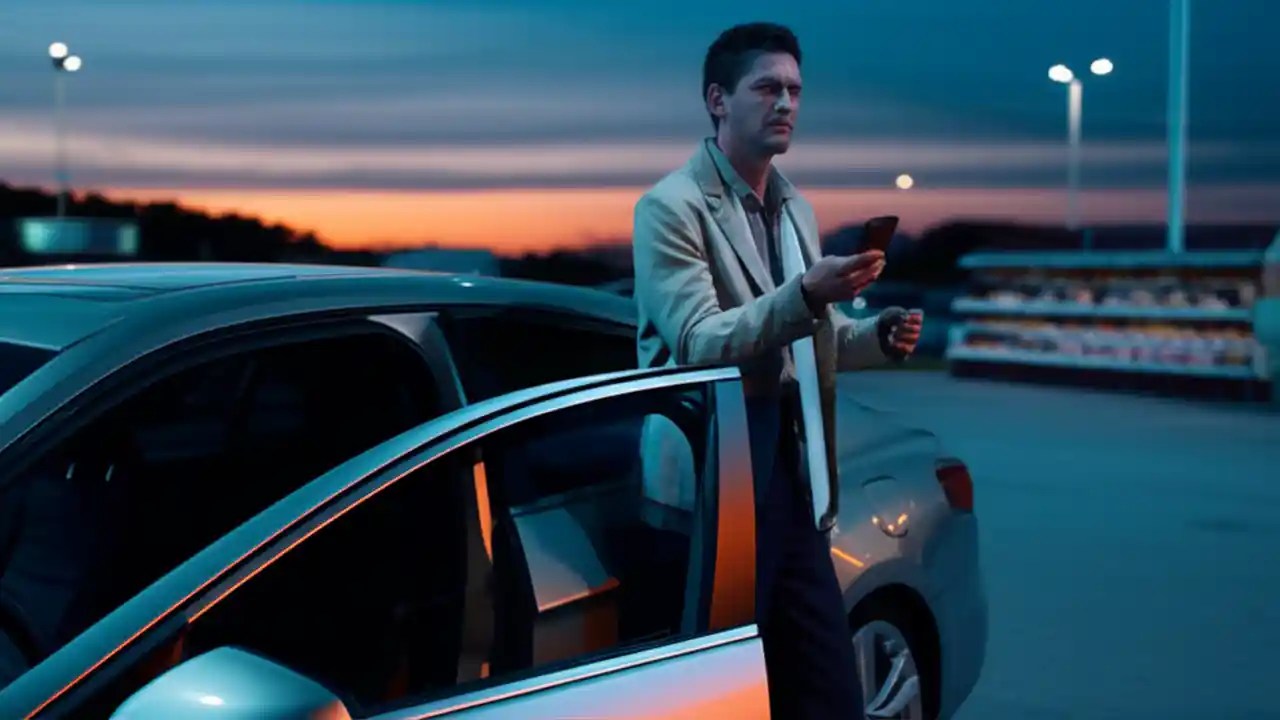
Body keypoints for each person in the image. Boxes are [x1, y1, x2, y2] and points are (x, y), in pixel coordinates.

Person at [632, 21, 922, 719]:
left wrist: (877, 335)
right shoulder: (669, 207)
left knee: (825, 683)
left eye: (794, 89)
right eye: (767, 88)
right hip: (715, 462)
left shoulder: (796, 209)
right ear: (718, 99)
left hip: (793, 467)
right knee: (724, 686)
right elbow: (700, 341)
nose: (786, 103)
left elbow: (807, 341)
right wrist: (807, 295)